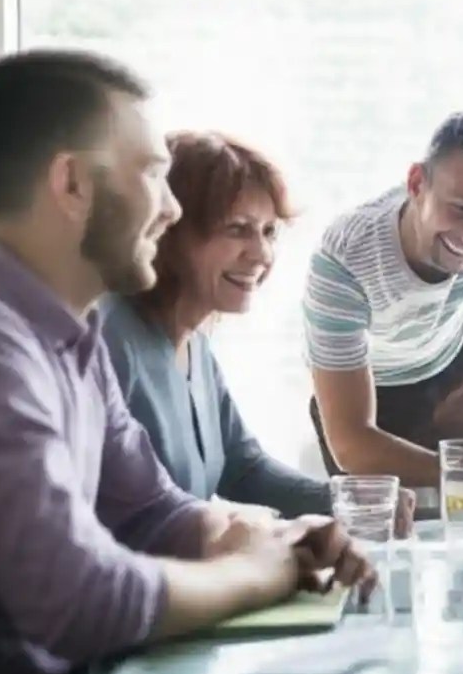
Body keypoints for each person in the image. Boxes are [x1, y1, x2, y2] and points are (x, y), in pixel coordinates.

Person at [0, 50, 373, 674]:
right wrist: (253, 575)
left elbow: (153, 509)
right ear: (72, 183)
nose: (168, 210)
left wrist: (280, 539)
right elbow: (79, 600)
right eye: (154, 177)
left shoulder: (71, 338)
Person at [99, 130, 414, 528]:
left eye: (268, 232)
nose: (262, 254)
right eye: (237, 229)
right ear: (172, 230)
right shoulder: (109, 342)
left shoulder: (195, 345)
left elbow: (243, 469)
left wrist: (349, 499)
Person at [304, 113, 463, 493]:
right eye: (460, 210)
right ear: (417, 183)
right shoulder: (343, 258)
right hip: (371, 387)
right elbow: (352, 442)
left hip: (454, 361)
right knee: (386, 526)